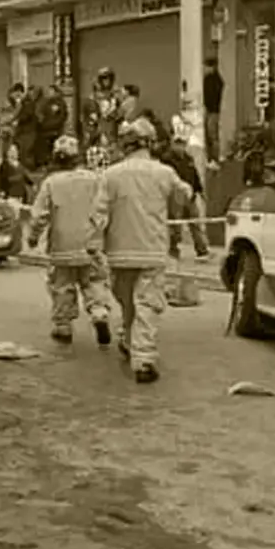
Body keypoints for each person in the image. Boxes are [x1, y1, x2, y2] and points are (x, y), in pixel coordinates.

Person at [91, 118, 192, 384]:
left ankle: (128, 340)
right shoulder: (163, 173)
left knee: (127, 303)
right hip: (152, 250)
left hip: (119, 253)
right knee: (147, 304)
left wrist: (94, 245)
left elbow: (98, 214)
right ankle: (144, 360)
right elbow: (184, 196)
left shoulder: (110, 175)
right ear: (149, 143)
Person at [27, 135, 112, 346]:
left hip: (62, 246)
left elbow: (39, 216)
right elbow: (105, 208)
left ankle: (63, 326)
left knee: (62, 286)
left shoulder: (51, 183)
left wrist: (33, 237)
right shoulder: (94, 179)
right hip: (90, 244)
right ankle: (99, 312)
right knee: (94, 282)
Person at [162, 133, 210, 263]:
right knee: (175, 226)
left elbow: (194, 175)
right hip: (175, 197)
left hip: (191, 196)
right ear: (173, 144)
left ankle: (202, 250)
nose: (180, 147)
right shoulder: (167, 159)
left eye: (182, 143)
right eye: (177, 143)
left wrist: (200, 191)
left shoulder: (188, 158)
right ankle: (173, 250)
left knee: (195, 223)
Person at [202, 59, 224, 163]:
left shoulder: (212, 80)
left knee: (212, 134)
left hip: (212, 110)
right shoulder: (216, 79)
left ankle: (215, 157)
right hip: (212, 110)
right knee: (210, 135)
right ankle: (212, 157)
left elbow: (211, 96)